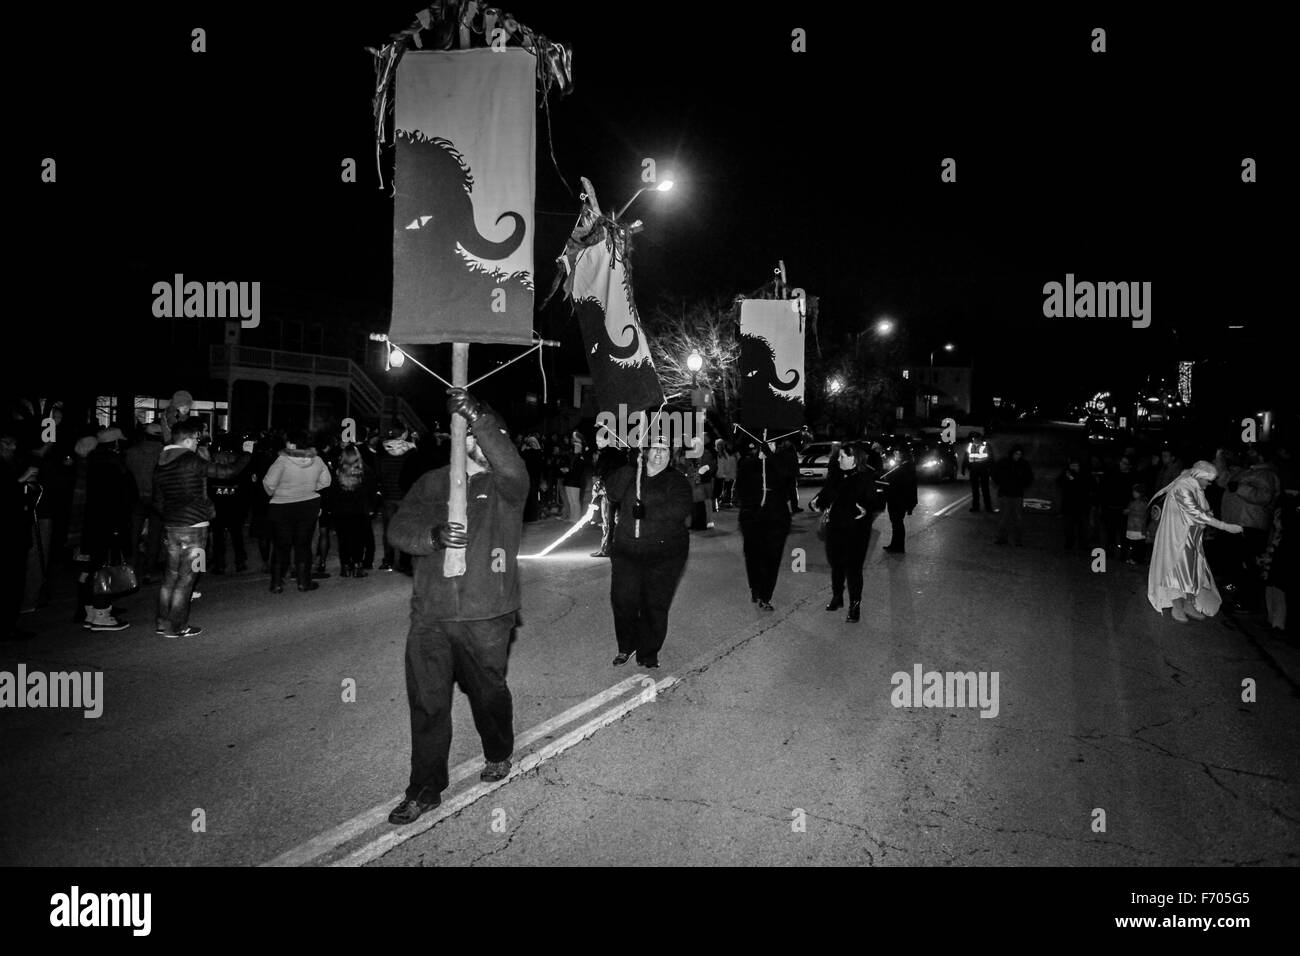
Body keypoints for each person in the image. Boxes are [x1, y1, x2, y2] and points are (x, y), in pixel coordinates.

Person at [385, 388, 527, 825]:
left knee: (488, 694)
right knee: (428, 704)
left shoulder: (506, 485)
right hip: (429, 615)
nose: (489, 443)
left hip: (486, 614)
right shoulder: (431, 482)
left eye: (495, 436)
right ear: (458, 437)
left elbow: (511, 463)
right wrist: (432, 536)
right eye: (478, 436)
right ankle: (424, 789)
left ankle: (499, 750)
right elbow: (398, 528)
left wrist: (480, 416)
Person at [153, 419, 250, 637]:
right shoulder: (190, 460)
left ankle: (162, 621)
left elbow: (157, 500)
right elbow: (227, 473)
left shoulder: (162, 461)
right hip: (195, 527)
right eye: (196, 439)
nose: (198, 443)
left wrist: (172, 515)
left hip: (172, 526)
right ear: (186, 440)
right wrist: (246, 455)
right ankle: (176, 626)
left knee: (170, 577)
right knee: (187, 578)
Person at [604, 437, 693, 667]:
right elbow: (612, 492)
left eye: (664, 450)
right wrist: (630, 465)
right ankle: (627, 645)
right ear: (645, 451)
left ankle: (648, 652)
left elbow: (680, 508)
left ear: (670, 454)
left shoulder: (676, 480)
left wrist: (648, 510)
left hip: (663, 554)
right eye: (655, 448)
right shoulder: (632, 475)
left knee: (654, 603)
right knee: (623, 600)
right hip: (627, 551)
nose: (659, 454)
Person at [1148, 461, 1243, 623]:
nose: (1209, 484)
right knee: (1177, 569)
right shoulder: (1182, 487)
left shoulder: (1196, 487)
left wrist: (1208, 514)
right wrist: (1225, 526)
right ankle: (1177, 604)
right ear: (1200, 475)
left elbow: (1203, 510)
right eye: (1208, 480)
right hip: (1177, 538)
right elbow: (1196, 512)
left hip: (1192, 538)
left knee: (1194, 570)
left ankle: (1189, 603)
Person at [810, 442, 880, 623]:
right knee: (836, 565)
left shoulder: (866, 476)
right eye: (839, 456)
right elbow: (825, 494)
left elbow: (875, 500)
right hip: (835, 528)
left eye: (843, 456)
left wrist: (865, 508)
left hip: (856, 531)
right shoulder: (836, 475)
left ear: (854, 459)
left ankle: (855, 606)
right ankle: (837, 597)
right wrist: (816, 502)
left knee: (854, 570)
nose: (838, 459)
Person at [79, 427, 136, 632]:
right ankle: (102, 614)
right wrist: (118, 529)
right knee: (106, 568)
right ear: (114, 444)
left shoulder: (90, 461)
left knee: (92, 568)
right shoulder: (112, 465)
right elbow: (122, 497)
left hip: (91, 524)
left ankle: (90, 611)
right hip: (109, 524)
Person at [262, 432, 331, 593]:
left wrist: (278, 492)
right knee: (303, 545)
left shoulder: (283, 461)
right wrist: (310, 488)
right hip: (308, 506)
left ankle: (277, 583)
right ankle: (303, 582)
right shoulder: (318, 460)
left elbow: (269, 483)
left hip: (281, 507)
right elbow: (326, 481)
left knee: (280, 546)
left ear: (292, 445)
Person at [735, 437, 794, 610]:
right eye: (767, 443)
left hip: (776, 519)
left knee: (772, 558)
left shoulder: (781, 462)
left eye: (773, 443)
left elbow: (786, 476)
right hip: (753, 517)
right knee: (753, 556)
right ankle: (755, 587)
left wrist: (771, 456)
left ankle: (766, 595)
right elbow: (741, 488)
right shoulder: (748, 464)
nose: (770, 445)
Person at [328, 443, 377, 578]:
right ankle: (357, 566)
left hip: (340, 511)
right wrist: (371, 507)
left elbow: (331, 492)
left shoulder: (337, 472)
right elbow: (372, 491)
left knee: (343, 539)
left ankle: (345, 566)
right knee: (358, 540)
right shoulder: (365, 471)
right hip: (359, 511)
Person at [124, 422, 165, 582]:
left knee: (134, 534)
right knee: (154, 535)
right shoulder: (163, 452)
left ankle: (131, 568)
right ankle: (150, 569)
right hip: (156, 497)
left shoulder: (132, 451)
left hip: (136, 497)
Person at [208, 436, 252, 574]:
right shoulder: (240, 461)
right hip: (235, 504)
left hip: (217, 504)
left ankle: (219, 564)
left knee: (218, 536)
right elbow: (246, 486)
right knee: (237, 535)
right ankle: (240, 562)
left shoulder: (212, 459)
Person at [377, 431, 414, 573]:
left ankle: (388, 561)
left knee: (388, 530)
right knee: (405, 529)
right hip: (405, 496)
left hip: (388, 495)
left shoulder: (382, 452)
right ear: (403, 435)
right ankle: (404, 562)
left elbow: (379, 474)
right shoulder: (409, 452)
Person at [589, 429, 625, 557]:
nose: (597, 443)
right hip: (621, 492)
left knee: (608, 522)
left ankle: (606, 549)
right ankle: (617, 548)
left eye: (599, 440)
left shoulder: (606, 454)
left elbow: (601, 472)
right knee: (617, 520)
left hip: (609, 492)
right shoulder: (621, 453)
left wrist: (599, 486)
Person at [992, 445, 1033, 546]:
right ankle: (1001, 538)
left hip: (1017, 494)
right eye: (1016, 454)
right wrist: (1001, 483)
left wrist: (1022, 485)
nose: (1017, 456)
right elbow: (995, 473)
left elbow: (1029, 477)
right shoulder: (1004, 462)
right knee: (1004, 519)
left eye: (1019, 454)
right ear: (1012, 453)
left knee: (1018, 519)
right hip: (1005, 494)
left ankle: (1018, 540)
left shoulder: (1024, 464)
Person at [881, 442, 918, 554]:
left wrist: (888, 481)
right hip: (896, 498)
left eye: (897, 452)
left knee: (897, 523)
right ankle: (895, 544)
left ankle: (899, 546)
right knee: (896, 523)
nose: (895, 454)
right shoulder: (902, 465)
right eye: (895, 452)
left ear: (903, 454)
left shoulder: (906, 466)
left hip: (899, 499)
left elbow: (902, 484)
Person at [1056, 457, 1093, 549]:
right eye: (1072, 465)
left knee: (1082, 527)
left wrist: (1072, 479)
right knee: (1069, 527)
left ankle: (1083, 544)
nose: (1073, 467)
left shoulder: (1085, 474)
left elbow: (1085, 486)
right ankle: (1069, 543)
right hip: (1069, 505)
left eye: (1075, 465)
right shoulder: (1066, 473)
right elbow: (1059, 482)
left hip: (1081, 505)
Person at [560, 431, 588, 522]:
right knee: (571, 501)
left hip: (575, 481)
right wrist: (565, 469)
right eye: (575, 445)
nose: (575, 447)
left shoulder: (580, 457)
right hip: (569, 480)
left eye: (577, 446)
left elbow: (578, 470)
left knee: (575, 501)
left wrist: (569, 470)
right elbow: (570, 466)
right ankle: (572, 517)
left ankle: (576, 518)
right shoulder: (573, 456)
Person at [1123, 483, 1149, 565]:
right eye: (1133, 491)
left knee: (1139, 545)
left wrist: (1130, 511)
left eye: (1136, 492)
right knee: (1133, 544)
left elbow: (1142, 513)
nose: (1133, 493)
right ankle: (1132, 558)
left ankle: (1138, 559)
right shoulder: (1133, 501)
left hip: (1139, 527)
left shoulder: (1143, 502)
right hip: (1132, 526)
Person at [715, 439, 738, 509]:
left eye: (721, 444)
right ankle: (718, 503)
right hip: (717, 474)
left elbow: (728, 464)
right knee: (718, 490)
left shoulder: (726, 454)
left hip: (724, 475)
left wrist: (728, 474)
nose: (720, 446)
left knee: (724, 489)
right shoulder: (715, 453)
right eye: (719, 444)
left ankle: (725, 502)